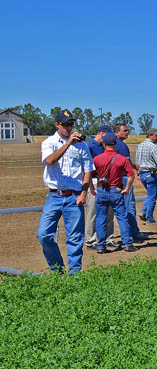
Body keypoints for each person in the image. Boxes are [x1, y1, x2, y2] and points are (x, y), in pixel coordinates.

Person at [36, 109, 94, 274]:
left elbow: (88, 170)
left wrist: (83, 193)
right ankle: (57, 271)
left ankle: (74, 275)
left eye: (71, 124)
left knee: (75, 238)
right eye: (66, 124)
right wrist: (68, 143)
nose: (69, 128)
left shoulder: (82, 145)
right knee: (44, 235)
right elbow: (49, 160)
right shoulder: (49, 143)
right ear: (57, 125)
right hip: (54, 196)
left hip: (74, 196)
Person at [91, 132, 137, 253]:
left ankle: (101, 246)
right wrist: (126, 188)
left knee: (101, 219)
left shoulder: (97, 159)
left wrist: (92, 189)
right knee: (122, 218)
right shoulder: (121, 159)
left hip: (101, 190)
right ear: (115, 144)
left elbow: (87, 175)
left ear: (104, 145)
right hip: (116, 190)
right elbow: (131, 175)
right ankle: (128, 243)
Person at [84, 125, 115, 249]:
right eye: (107, 135)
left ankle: (108, 238)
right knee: (93, 212)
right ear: (101, 133)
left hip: (108, 182)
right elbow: (86, 169)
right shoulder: (90, 147)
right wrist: (90, 186)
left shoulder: (105, 146)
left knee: (109, 212)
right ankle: (91, 240)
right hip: (95, 181)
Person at [113, 123, 145, 241]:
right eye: (125, 131)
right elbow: (125, 164)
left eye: (127, 130)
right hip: (124, 178)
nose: (127, 133)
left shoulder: (111, 144)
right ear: (117, 132)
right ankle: (133, 232)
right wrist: (134, 168)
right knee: (129, 206)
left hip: (115, 179)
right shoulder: (121, 146)